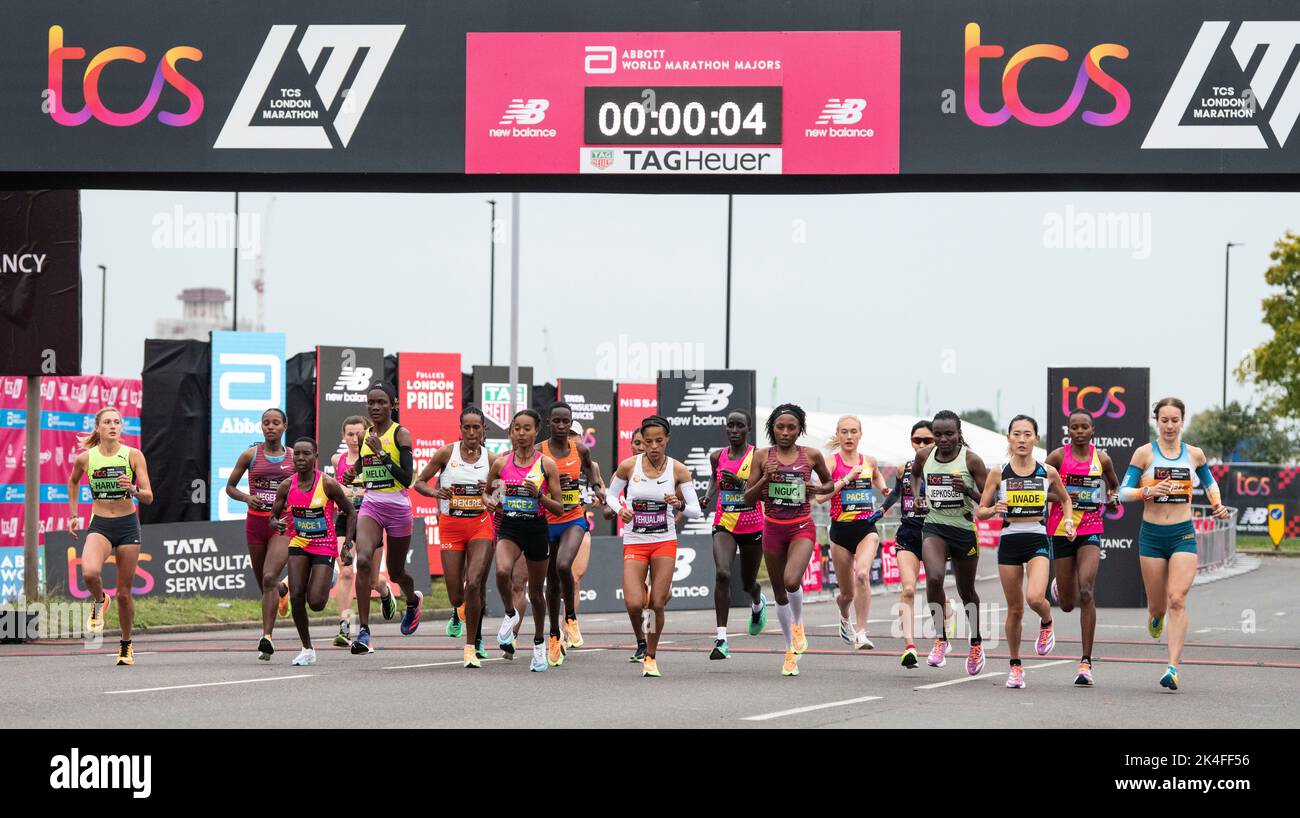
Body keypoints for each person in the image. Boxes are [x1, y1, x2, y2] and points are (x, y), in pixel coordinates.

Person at [1118, 397, 1229, 691]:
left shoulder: (1194, 455)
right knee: (1157, 607)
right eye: (1164, 420)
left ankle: (1172, 667)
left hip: (1182, 533)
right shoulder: (1144, 454)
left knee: (1177, 598)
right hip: (1152, 536)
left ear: (1182, 421)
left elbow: (1210, 484)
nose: (1169, 426)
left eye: (1174, 420)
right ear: (1157, 422)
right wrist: (1147, 491)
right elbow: (1122, 493)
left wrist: (1217, 504)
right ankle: (1156, 617)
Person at [977, 415, 1074, 689]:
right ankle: (1016, 666)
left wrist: (1067, 520)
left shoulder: (1047, 471)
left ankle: (1047, 619)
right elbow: (980, 512)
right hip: (1009, 540)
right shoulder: (999, 472)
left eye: (1027, 434)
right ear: (1008, 438)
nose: (1022, 440)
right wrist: (993, 509)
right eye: (1017, 434)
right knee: (1015, 610)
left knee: (1034, 598)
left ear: (1036, 439)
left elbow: (1065, 500)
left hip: (1037, 537)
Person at [606, 416, 702, 677]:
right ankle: (644, 640)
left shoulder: (679, 470)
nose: (654, 446)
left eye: (659, 441)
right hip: (635, 541)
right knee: (635, 602)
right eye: (648, 442)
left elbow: (695, 511)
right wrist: (620, 510)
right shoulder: (629, 466)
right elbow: (610, 495)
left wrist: (677, 504)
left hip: (664, 542)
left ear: (667, 439)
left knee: (656, 603)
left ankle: (650, 655)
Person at [743, 404, 835, 677]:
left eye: (791, 427)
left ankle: (799, 625)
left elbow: (829, 484)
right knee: (779, 593)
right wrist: (765, 480)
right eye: (779, 427)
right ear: (771, 428)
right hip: (772, 528)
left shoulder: (812, 455)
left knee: (791, 580)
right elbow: (748, 497)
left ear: (800, 429)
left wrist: (816, 488)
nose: (785, 432)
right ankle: (789, 650)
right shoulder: (761, 456)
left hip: (801, 526)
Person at [341, 384, 423, 654]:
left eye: (381, 403)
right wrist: (353, 472)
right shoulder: (366, 435)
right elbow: (364, 464)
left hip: (398, 508)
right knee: (363, 560)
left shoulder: (401, 434)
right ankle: (364, 632)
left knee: (398, 572)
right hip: (372, 505)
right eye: (371, 403)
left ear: (393, 404)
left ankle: (412, 600)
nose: (375, 407)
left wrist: (382, 453)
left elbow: (406, 478)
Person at [68, 407, 153, 666]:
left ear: (121, 427)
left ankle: (125, 645)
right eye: (107, 422)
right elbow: (72, 482)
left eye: (117, 422)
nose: (113, 426)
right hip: (101, 525)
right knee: (90, 573)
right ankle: (99, 599)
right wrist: (73, 514)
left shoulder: (133, 455)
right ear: (98, 427)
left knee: (125, 594)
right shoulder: (86, 458)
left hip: (128, 526)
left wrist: (134, 490)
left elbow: (149, 497)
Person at [910, 410, 992, 675]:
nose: (943, 439)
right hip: (935, 524)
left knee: (966, 591)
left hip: (964, 529)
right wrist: (918, 496)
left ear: (959, 434)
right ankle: (941, 639)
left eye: (949, 434)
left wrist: (966, 490)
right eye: (938, 434)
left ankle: (976, 641)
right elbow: (914, 475)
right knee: (933, 578)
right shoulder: (924, 456)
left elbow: (987, 501)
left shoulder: (972, 461)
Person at [413, 406, 495, 667]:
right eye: (466, 427)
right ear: (460, 429)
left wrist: (490, 492)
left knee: (474, 582)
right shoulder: (447, 453)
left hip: (481, 525)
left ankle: (472, 645)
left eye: (476, 427)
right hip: (451, 526)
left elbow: (503, 491)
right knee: (456, 595)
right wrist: (436, 494)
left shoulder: (492, 459)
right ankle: (459, 611)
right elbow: (420, 482)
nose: (471, 432)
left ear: (483, 430)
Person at [1044, 409, 1120, 685]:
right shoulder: (1057, 457)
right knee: (1066, 604)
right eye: (1074, 427)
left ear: (1092, 430)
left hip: (1090, 528)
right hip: (1062, 528)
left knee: (1087, 591)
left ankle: (1086, 662)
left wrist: (1112, 498)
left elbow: (1114, 487)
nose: (1078, 431)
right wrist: (1064, 495)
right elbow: (1038, 487)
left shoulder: (1102, 458)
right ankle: (1060, 589)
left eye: (1084, 427)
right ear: (1068, 430)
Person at [487, 409, 565, 672]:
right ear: (510, 433)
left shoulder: (546, 465)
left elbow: (559, 508)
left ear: (536, 432)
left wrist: (539, 497)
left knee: (536, 594)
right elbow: (490, 497)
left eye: (527, 428)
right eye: (517, 429)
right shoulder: (501, 464)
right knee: (501, 571)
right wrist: (493, 502)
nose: (522, 434)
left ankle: (539, 644)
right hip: (510, 527)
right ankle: (510, 613)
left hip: (536, 530)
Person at [874, 421, 955, 668]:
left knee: (935, 587)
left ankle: (946, 612)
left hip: (935, 534)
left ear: (937, 441)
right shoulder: (904, 468)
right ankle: (910, 646)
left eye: (927, 440)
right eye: (917, 440)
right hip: (908, 533)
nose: (921, 444)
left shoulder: (949, 467)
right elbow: (897, 493)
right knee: (908, 589)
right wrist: (881, 509)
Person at [270, 438, 357, 666]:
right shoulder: (287, 485)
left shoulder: (327, 484)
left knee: (316, 602)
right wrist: (276, 524)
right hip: (298, 542)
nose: (300, 458)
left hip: (324, 544)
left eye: (306, 454)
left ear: (315, 457)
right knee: (297, 596)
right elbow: (273, 516)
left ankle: (328, 577)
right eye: (296, 454)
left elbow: (350, 512)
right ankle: (307, 648)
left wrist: (347, 543)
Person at [224, 408, 295, 659]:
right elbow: (230, 487)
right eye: (266, 423)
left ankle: (267, 638)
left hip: (282, 526)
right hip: (255, 525)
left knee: (268, 578)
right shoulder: (250, 455)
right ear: (261, 427)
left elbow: (307, 487)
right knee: (265, 584)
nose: (270, 427)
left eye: (276, 422)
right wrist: (246, 498)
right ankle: (282, 593)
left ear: (285, 426)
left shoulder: (295, 458)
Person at [540, 404, 606, 658]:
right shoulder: (539, 451)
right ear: (549, 423)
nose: (561, 426)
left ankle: (570, 617)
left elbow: (590, 470)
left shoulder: (580, 449)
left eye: (565, 421)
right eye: (556, 421)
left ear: (570, 424)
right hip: (546, 521)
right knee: (552, 582)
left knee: (563, 565)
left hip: (573, 518)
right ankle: (554, 634)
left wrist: (597, 486)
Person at [821, 415, 890, 651]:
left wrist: (883, 488)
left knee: (862, 574)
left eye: (853, 431)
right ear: (838, 435)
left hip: (865, 528)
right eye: (844, 432)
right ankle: (844, 616)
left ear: (860, 434)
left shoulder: (869, 461)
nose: (849, 436)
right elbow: (820, 497)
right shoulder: (830, 463)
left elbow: (878, 476)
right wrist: (846, 479)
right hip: (840, 531)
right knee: (846, 594)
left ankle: (861, 632)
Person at [701, 409, 766, 660]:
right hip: (724, 522)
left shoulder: (758, 456)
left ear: (748, 429)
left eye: (740, 426)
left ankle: (757, 602)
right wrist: (708, 495)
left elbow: (762, 491)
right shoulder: (717, 456)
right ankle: (721, 639)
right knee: (722, 573)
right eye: (730, 426)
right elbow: (714, 479)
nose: (734, 431)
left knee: (748, 582)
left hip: (752, 525)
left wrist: (740, 484)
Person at [330, 415, 396, 648]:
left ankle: (384, 589)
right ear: (343, 436)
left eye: (359, 434)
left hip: (370, 520)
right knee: (346, 572)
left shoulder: (374, 459)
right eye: (349, 434)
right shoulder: (337, 460)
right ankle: (345, 626)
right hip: (344, 521)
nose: (354, 439)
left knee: (368, 580)